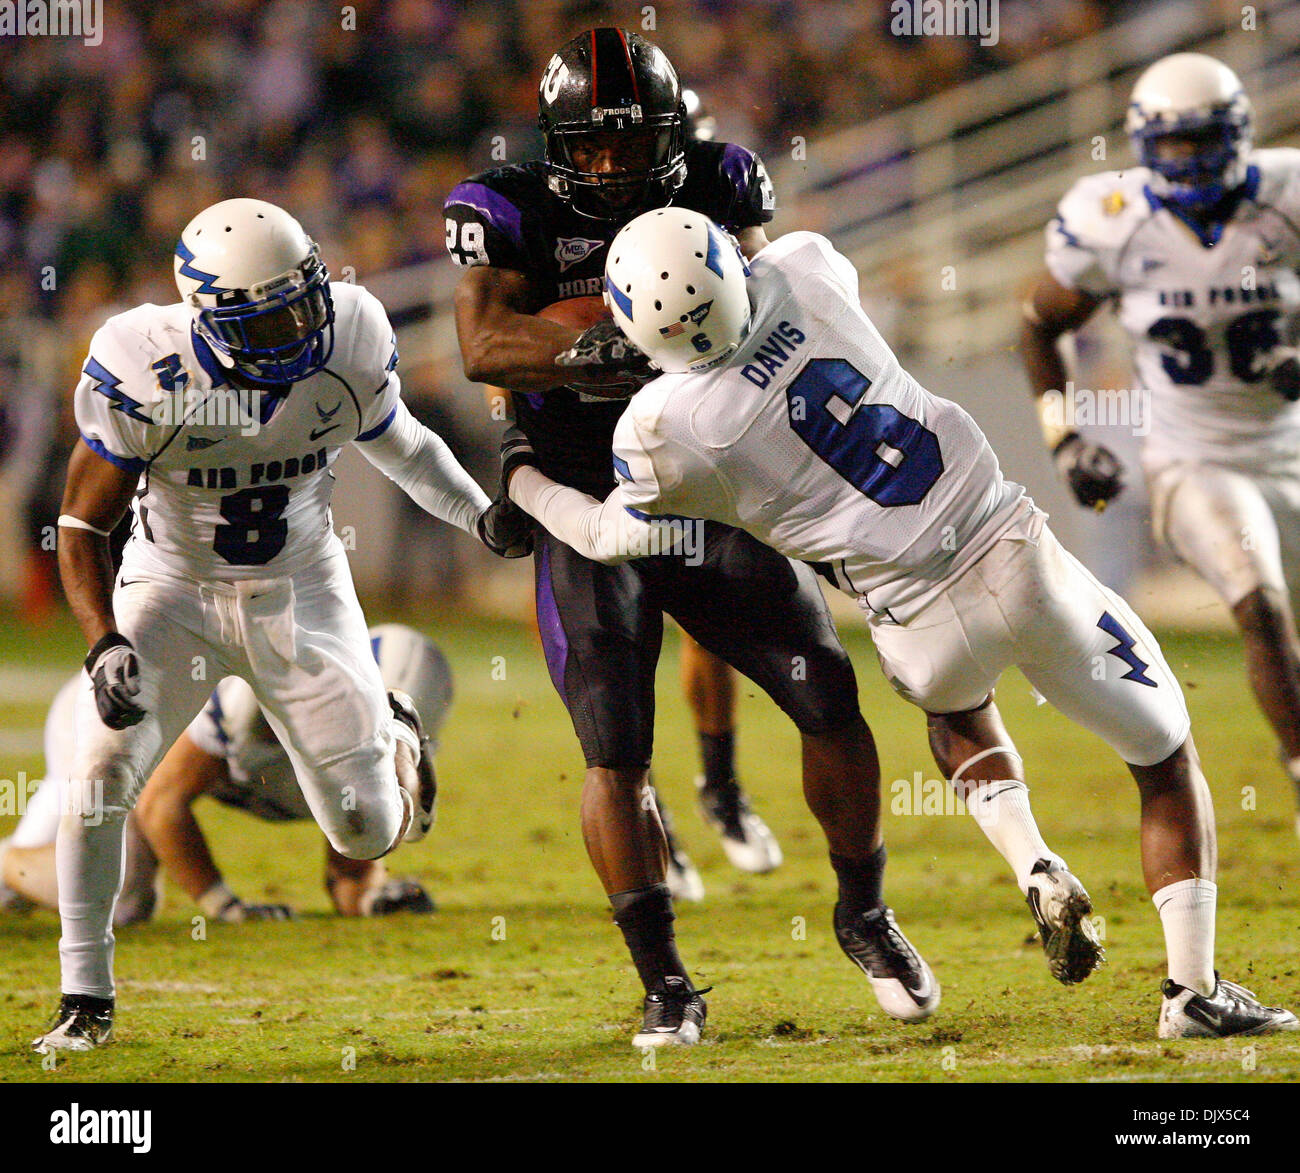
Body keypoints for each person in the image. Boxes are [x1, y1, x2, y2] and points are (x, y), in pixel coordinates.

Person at [506, 206, 1299, 1039]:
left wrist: (521, 478)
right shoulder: (808, 268)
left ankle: (1031, 856)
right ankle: (1195, 989)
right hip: (1010, 550)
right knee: (1164, 756)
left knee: (957, 711)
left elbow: (601, 532)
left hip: (910, 618)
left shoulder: (662, 429)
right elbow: (764, 268)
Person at [446, 28, 933, 1047]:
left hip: (709, 490)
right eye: (596, 147)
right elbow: (485, 343)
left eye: (636, 144)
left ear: (676, 131)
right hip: (588, 498)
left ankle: (865, 913)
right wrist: (614, 339)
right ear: (557, 143)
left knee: (825, 691)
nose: (616, 165)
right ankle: (666, 980)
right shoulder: (507, 207)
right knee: (614, 748)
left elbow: (767, 314)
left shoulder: (721, 178)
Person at [34, 197, 529, 1055]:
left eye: (304, 301)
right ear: (210, 319)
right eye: (269, 319)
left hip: (301, 583)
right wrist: (103, 637)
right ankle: (86, 996)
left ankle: (396, 731)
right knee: (98, 774)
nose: (298, 328)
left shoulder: (350, 334)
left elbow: (403, 444)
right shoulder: (143, 364)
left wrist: (480, 514)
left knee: (368, 829)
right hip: (174, 586)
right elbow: (80, 526)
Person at [1022, 53, 1300, 836]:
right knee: (1259, 602)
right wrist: (1064, 437)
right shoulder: (1114, 216)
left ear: (1238, 133)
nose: (1185, 160)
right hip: (1195, 458)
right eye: (1169, 145)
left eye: (1200, 141)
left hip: (1292, 442)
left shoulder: (1288, 196)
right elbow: (1039, 322)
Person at [1, 625, 449, 922]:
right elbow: (161, 803)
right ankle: (9, 861)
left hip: (150, 743)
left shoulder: (383, 753)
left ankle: (15, 869)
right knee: (122, 892)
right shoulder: (260, 701)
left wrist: (370, 899)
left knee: (28, 892)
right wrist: (224, 904)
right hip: (119, 718)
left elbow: (350, 861)